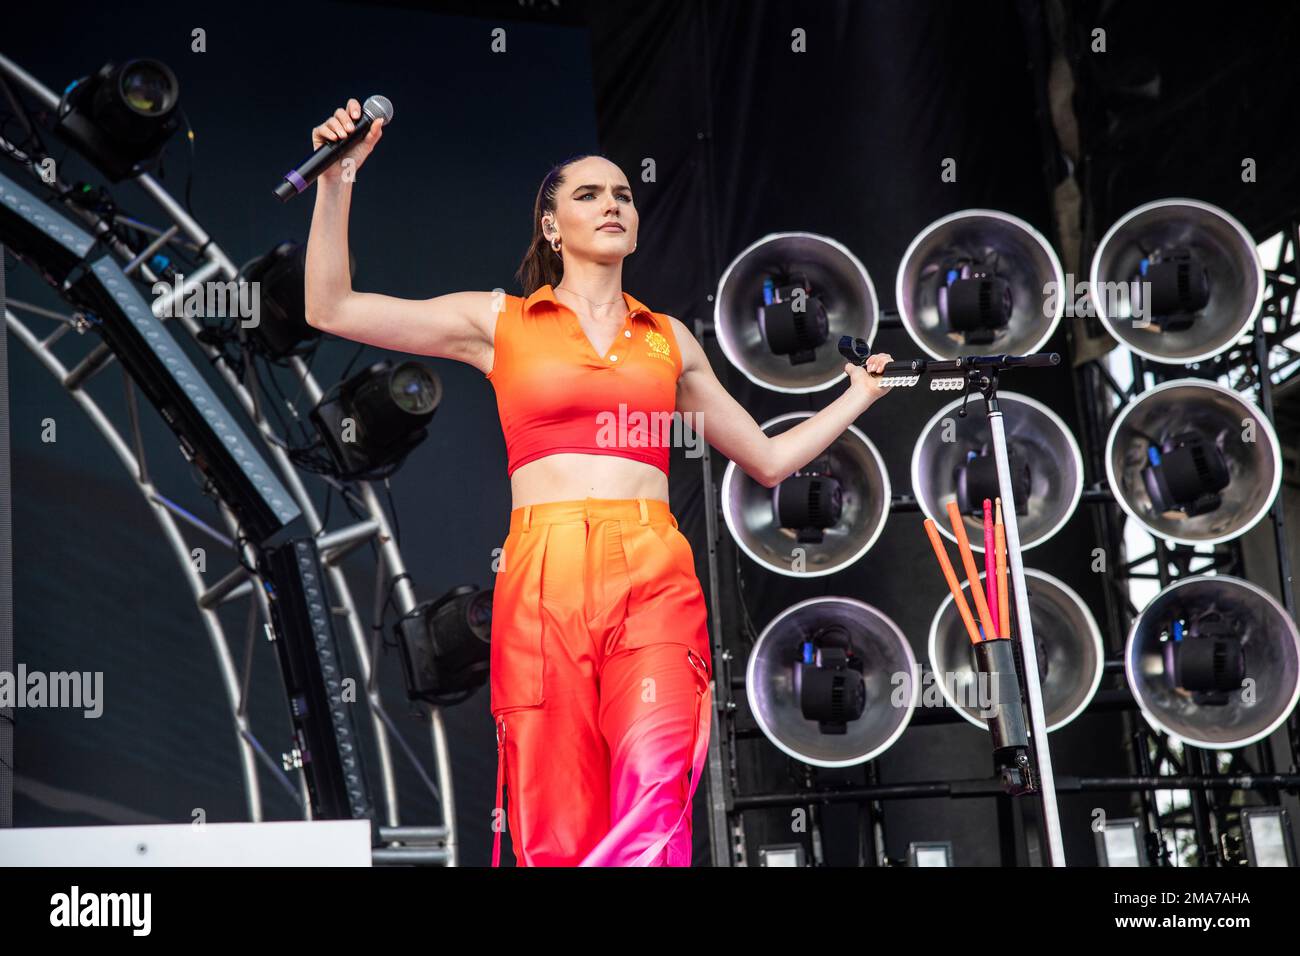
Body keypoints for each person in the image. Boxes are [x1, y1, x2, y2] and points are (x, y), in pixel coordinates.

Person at [303, 98, 895, 866]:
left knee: (656, 788)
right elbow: (330, 305)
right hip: (543, 575)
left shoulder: (668, 340)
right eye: (588, 194)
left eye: (622, 194)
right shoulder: (501, 321)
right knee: (555, 825)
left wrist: (856, 396)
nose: (612, 204)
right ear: (551, 225)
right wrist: (339, 178)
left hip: (650, 572)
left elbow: (770, 459)